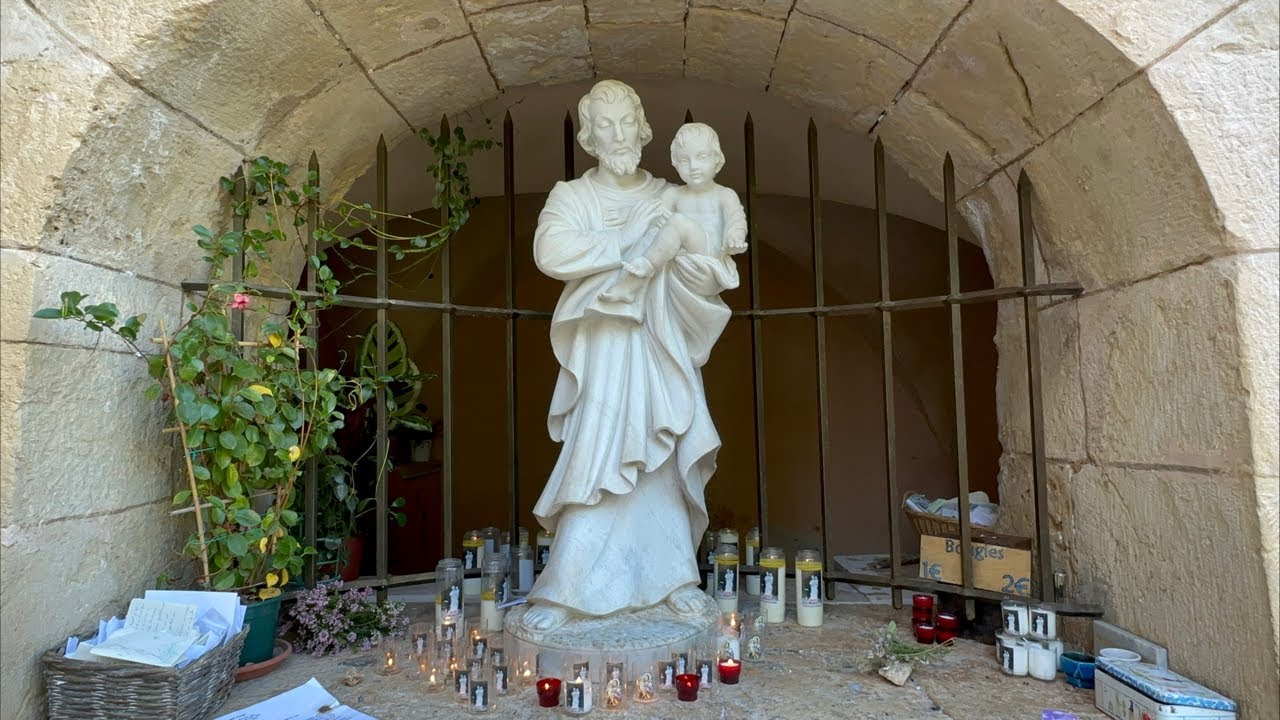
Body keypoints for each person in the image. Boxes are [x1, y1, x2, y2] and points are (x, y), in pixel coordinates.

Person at [521, 79, 737, 632]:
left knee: (660, 457)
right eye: (605, 125)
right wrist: (628, 242)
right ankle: (564, 589)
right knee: (597, 456)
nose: (618, 135)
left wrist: (687, 259)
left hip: (659, 341)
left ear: (642, 130)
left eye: (626, 123)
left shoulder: (669, 193)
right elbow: (551, 252)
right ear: (590, 137)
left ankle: (673, 582)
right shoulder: (573, 196)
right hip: (603, 344)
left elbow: (704, 253)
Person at [600, 122, 746, 304]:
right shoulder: (674, 195)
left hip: (710, 257)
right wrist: (626, 214)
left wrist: (734, 238)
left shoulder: (724, 195)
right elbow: (652, 216)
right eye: (685, 160)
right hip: (682, 261)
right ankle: (628, 287)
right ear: (675, 164)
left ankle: (645, 268)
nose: (693, 166)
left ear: (717, 158)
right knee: (654, 232)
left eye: (701, 157)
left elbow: (736, 221)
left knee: (677, 223)